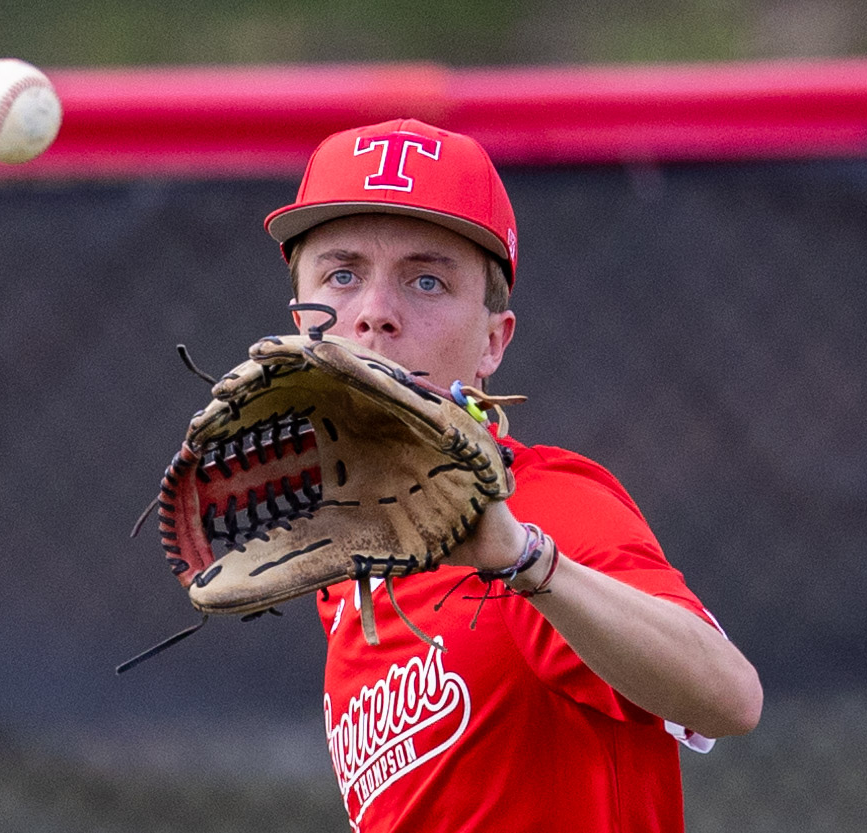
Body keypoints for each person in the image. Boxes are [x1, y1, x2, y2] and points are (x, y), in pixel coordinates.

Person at [262, 118, 762, 832]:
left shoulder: (541, 507)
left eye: (426, 280)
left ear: (493, 341)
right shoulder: (351, 556)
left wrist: (526, 561)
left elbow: (728, 697)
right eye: (342, 275)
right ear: (299, 324)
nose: (374, 313)